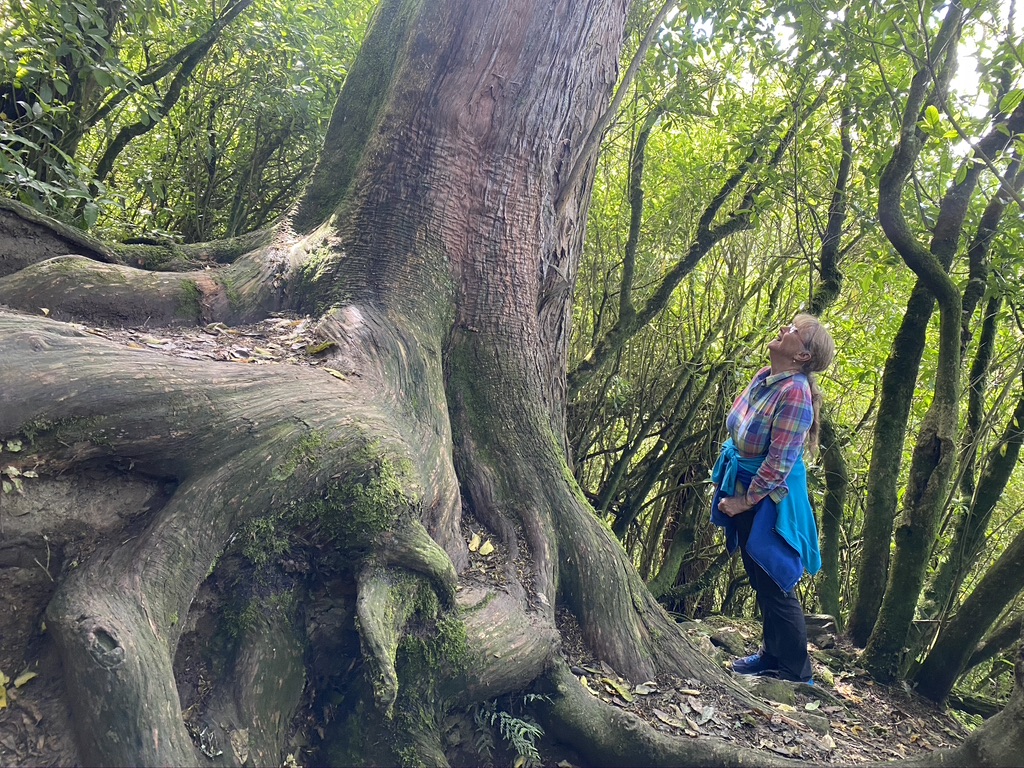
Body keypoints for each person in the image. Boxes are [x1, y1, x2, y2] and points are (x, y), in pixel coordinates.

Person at [710, 313, 836, 684]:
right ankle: (771, 656)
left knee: (775, 579)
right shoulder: (764, 379)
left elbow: (779, 461)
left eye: (794, 331)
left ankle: (796, 672)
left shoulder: (795, 392)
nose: (785, 329)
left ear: (803, 357)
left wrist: (743, 501)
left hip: (769, 497)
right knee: (758, 576)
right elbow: (739, 430)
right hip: (748, 484)